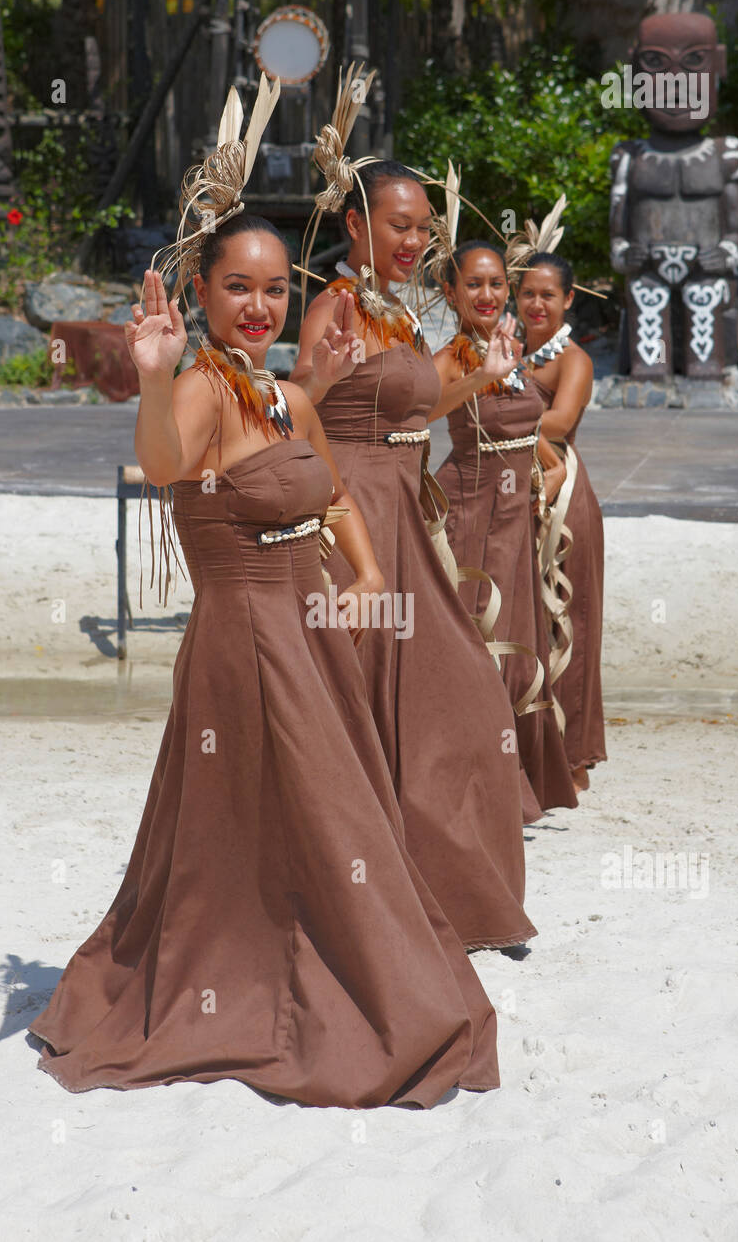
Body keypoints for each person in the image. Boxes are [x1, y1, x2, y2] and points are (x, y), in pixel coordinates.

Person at [28, 88, 500, 1108]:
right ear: (199, 290)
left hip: (314, 624)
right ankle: (275, 995)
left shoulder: (280, 392)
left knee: (333, 822)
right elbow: (164, 467)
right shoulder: (197, 387)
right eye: (237, 288)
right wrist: (153, 378)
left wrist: (367, 578)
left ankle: (324, 977)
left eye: (274, 289)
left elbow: (329, 489)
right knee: (311, 824)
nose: (258, 306)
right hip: (247, 639)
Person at [293, 157, 536, 956]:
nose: (416, 239)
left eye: (425, 227)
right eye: (400, 224)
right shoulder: (334, 305)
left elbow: (411, 405)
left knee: (459, 697)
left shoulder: (393, 311)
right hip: (356, 513)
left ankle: (446, 900)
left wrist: (482, 375)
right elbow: (301, 411)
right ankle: (363, 904)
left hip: (400, 506)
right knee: (373, 710)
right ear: (355, 225)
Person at [433, 240, 578, 814]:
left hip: (518, 516)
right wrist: (479, 376)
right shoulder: (452, 356)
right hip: (474, 510)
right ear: (449, 291)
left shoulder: (505, 347)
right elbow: (417, 415)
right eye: (474, 284)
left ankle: (517, 782)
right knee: (481, 645)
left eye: (497, 283)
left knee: (521, 653)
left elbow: (523, 426)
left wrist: (553, 465)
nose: (488, 294)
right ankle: (479, 790)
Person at [516, 252, 606, 790]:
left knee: (571, 621)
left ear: (568, 300)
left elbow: (562, 420)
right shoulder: (507, 353)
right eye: (527, 293)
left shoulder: (574, 360)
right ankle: (529, 751)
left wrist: (494, 401)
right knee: (524, 623)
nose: (536, 303)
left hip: (565, 496)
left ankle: (573, 759)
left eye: (548, 294)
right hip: (517, 495)